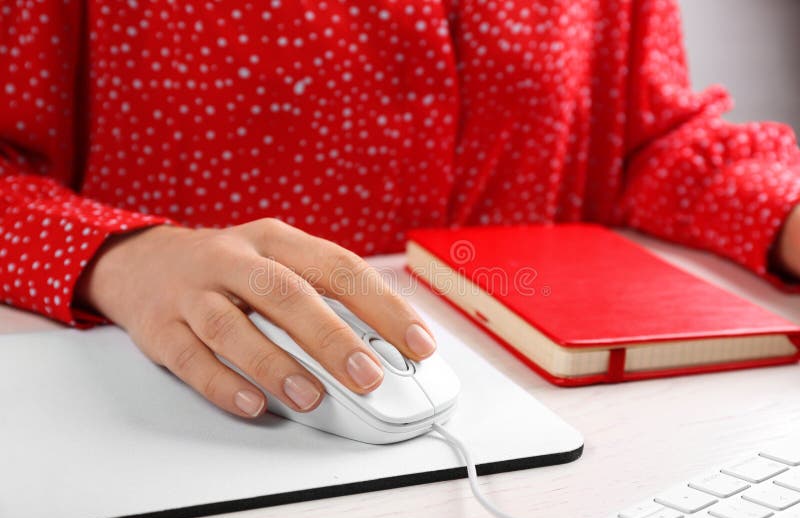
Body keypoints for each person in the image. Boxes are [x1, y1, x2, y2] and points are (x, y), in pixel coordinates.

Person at [2, 0, 799, 419]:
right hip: (202, 413)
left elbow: (648, 142)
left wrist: (786, 210)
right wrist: (122, 259)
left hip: (575, 422)